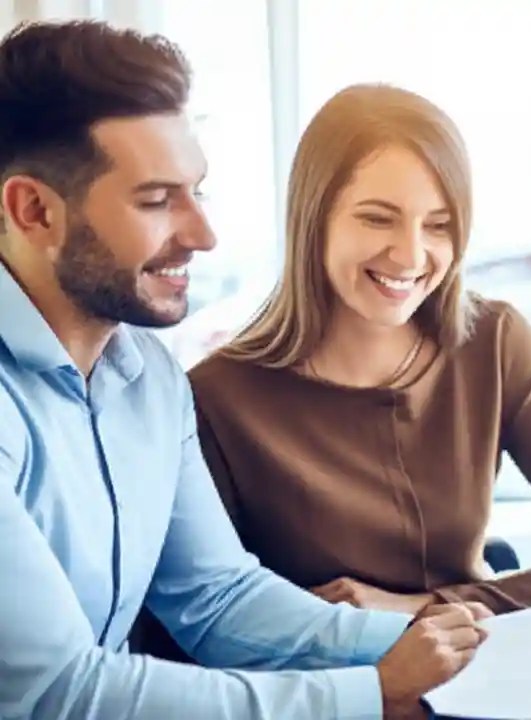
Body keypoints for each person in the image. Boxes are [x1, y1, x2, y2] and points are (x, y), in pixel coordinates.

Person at [0, 20, 486, 720]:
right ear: (35, 210)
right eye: (156, 199)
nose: (202, 234)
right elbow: (59, 693)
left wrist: (424, 642)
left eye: (197, 191)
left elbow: (216, 597)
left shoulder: (149, 380)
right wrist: (369, 694)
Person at [182, 83, 531, 619]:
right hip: (338, 692)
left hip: (485, 675)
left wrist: (419, 608)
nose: (410, 254)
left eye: (439, 225)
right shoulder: (217, 400)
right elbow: (204, 623)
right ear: (314, 218)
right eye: (377, 218)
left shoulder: (493, 342)